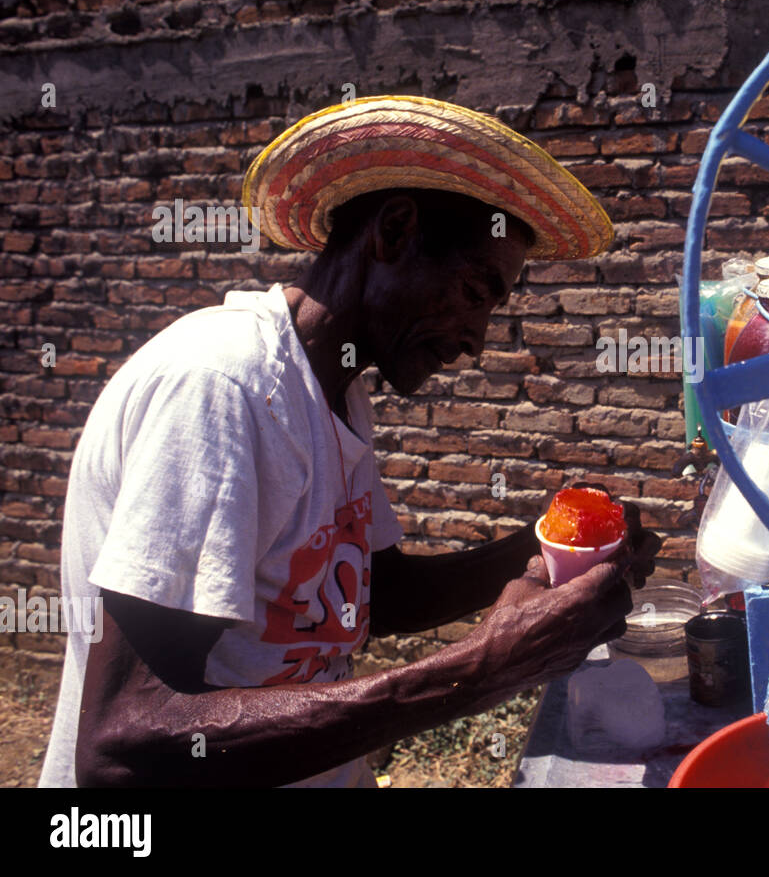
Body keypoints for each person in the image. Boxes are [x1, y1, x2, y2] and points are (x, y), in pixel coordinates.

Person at [39, 96, 659, 787]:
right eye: (476, 291)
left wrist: (548, 554)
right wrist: (482, 669)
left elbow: (370, 595)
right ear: (394, 231)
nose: (476, 339)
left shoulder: (335, 391)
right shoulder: (223, 386)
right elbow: (122, 744)